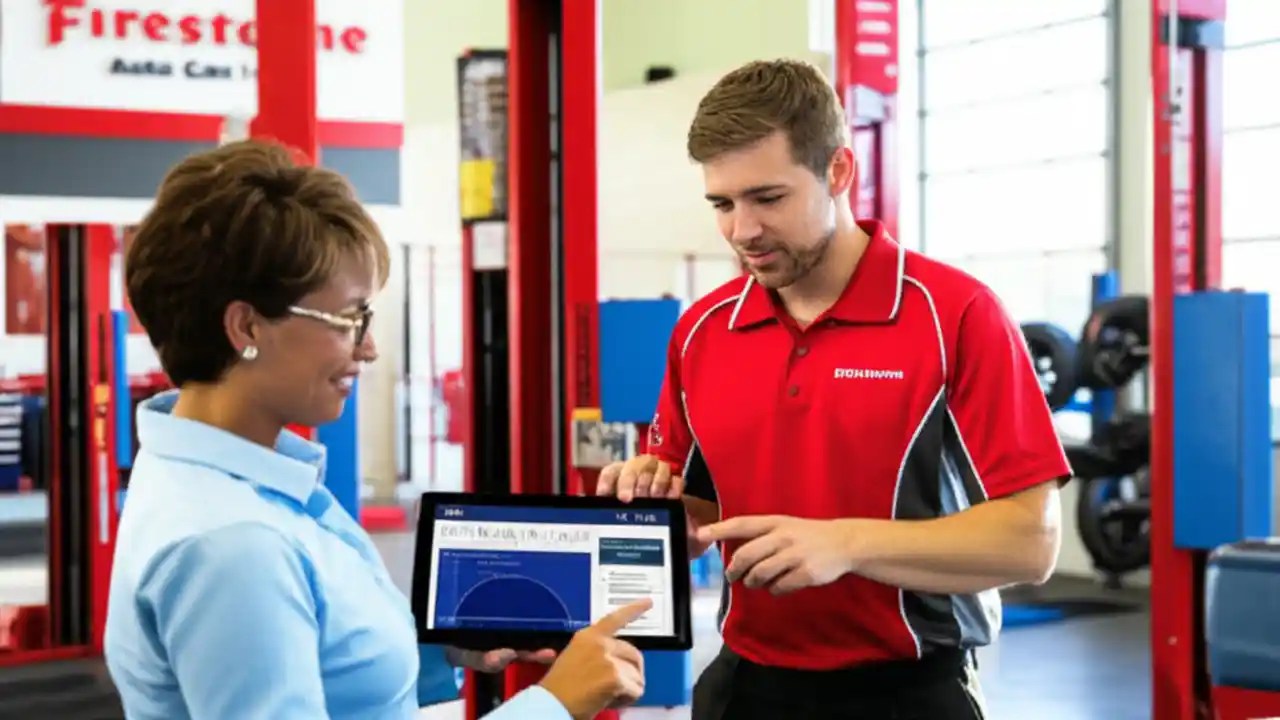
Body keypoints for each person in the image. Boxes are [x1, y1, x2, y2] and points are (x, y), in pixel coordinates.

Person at [104, 139, 648, 720]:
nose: (369, 348)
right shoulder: (236, 545)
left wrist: (430, 648)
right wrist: (555, 704)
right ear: (247, 327)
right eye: (349, 319)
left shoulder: (201, 473)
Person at [597, 59, 1071, 719]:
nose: (742, 231)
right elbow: (698, 513)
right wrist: (650, 506)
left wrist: (847, 544)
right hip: (745, 689)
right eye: (722, 204)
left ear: (839, 171)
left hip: (909, 693)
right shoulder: (701, 332)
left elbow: (1030, 543)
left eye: (768, 198)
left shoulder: (956, 316)